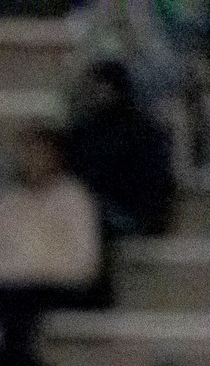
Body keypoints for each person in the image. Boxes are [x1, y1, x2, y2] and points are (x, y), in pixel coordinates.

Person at [0, 128, 102, 366]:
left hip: (58, 285)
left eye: (42, 153)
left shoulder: (75, 199)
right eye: (29, 152)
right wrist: (14, 273)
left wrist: (34, 272)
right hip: (11, 282)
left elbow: (84, 261)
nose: (34, 160)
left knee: (23, 303)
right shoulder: (2, 199)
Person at [64, 58, 176, 240]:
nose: (93, 91)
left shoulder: (144, 132)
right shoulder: (82, 131)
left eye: (101, 84)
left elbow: (155, 188)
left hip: (129, 215)